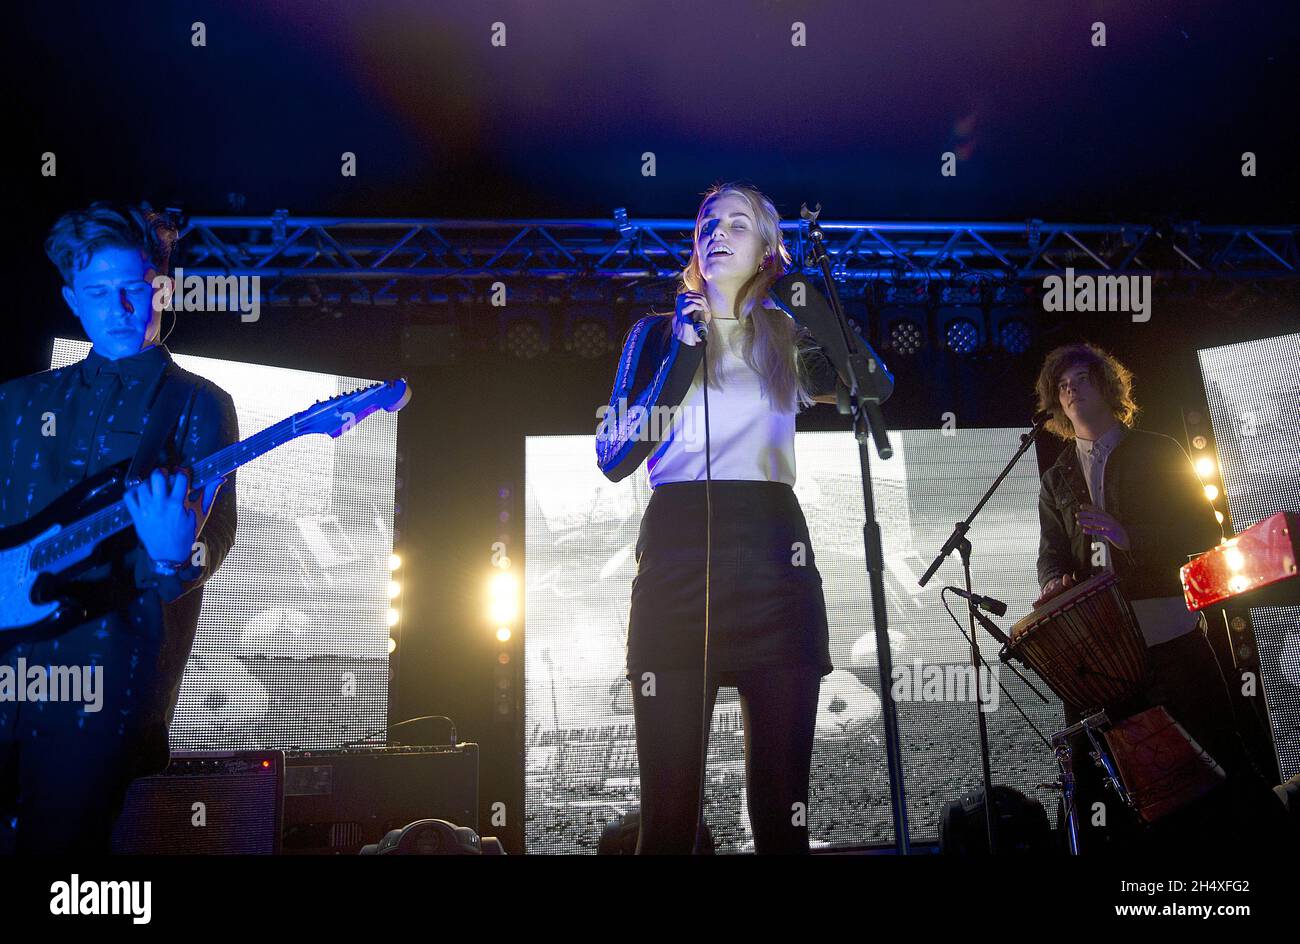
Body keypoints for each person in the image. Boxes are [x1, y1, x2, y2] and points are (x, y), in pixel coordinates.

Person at [596, 182, 893, 853]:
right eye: (707, 221)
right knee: (667, 820)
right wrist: (683, 352)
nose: (718, 232)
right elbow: (615, 454)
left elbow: (872, 386)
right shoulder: (653, 333)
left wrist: (815, 307)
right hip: (676, 554)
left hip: (770, 549)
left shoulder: (789, 330)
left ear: (767, 246)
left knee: (782, 814)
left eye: (738, 223)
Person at [0, 203, 238, 853]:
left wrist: (174, 553)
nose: (120, 307)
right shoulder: (17, 402)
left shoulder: (198, 404)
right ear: (71, 299)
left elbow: (210, 544)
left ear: (160, 286)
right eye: (99, 292)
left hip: (99, 683)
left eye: (135, 287)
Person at [1031, 341, 1290, 851]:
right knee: (1109, 774)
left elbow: (1200, 531)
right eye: (1062, 386)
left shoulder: (1158, 450)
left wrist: (1131, 536)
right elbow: (1051, 551)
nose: (1070, 389)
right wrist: (1054, 580)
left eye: (1081, 378)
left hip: (1166, 628)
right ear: (1055, 403)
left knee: (1219, 750)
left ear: (1106, 386)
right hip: (1100, 644)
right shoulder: (1057, 475)